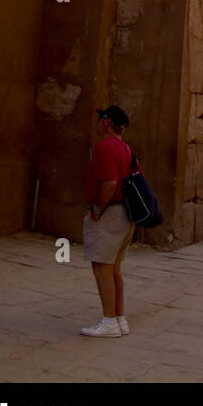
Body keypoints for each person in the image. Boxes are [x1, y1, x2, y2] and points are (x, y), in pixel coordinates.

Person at [81, 105, 136, 337]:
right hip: (126, 213)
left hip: (110, 214)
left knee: (101, 268)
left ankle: (109, 322)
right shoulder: (126, 149)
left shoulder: (106, 147)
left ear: (105, 122)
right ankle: (119, 318)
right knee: (114, 268)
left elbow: (110, 182)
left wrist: (96, 209)